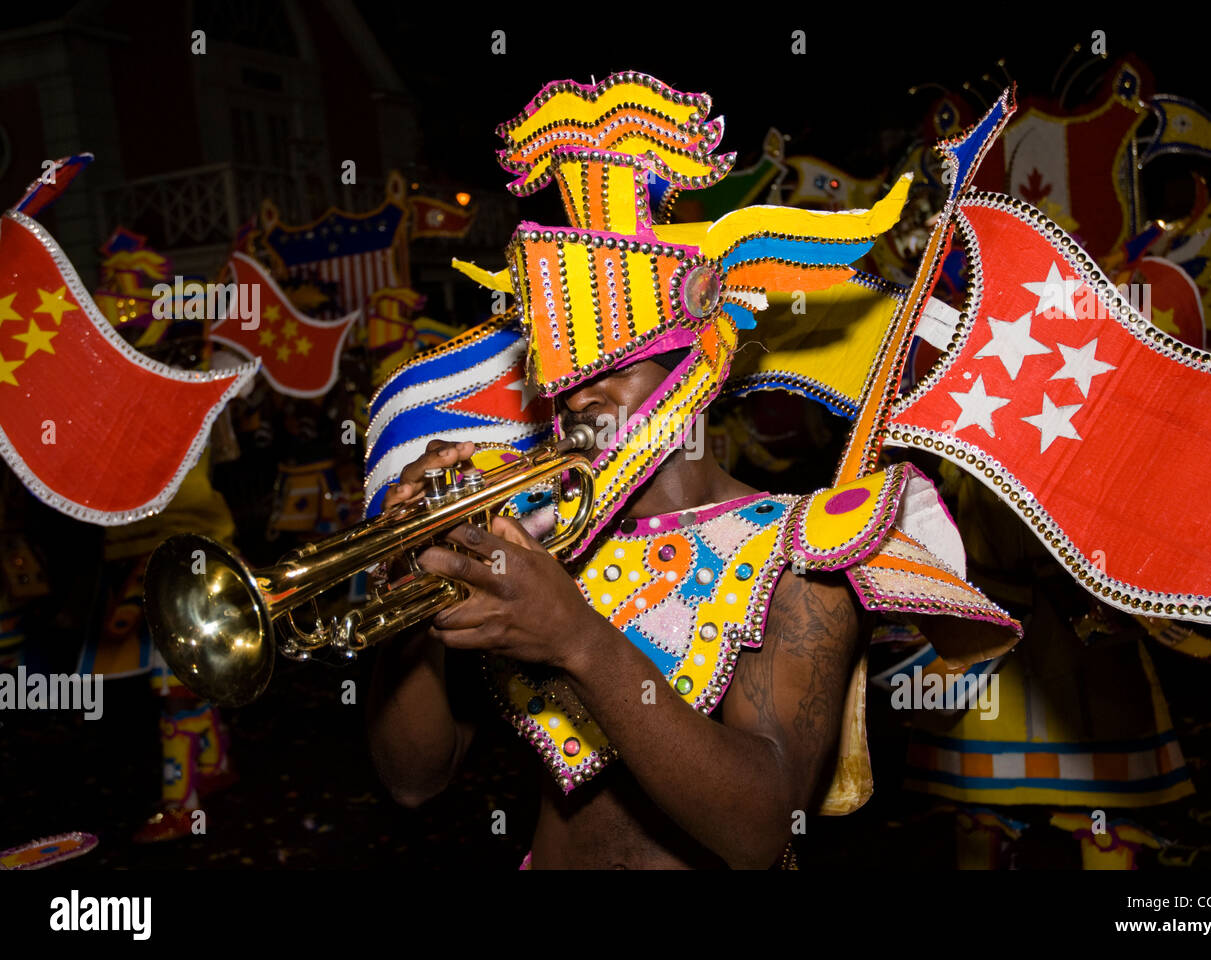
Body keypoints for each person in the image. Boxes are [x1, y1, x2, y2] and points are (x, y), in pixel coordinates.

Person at [364, 71, 1021, 869]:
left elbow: (758, 829)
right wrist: (406, 600)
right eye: (562, 376)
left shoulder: (804, 553)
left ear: (697, 361)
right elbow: (414, 781)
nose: (579, 396)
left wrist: (578, 638)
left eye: (614, 366)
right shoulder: (535, 542)